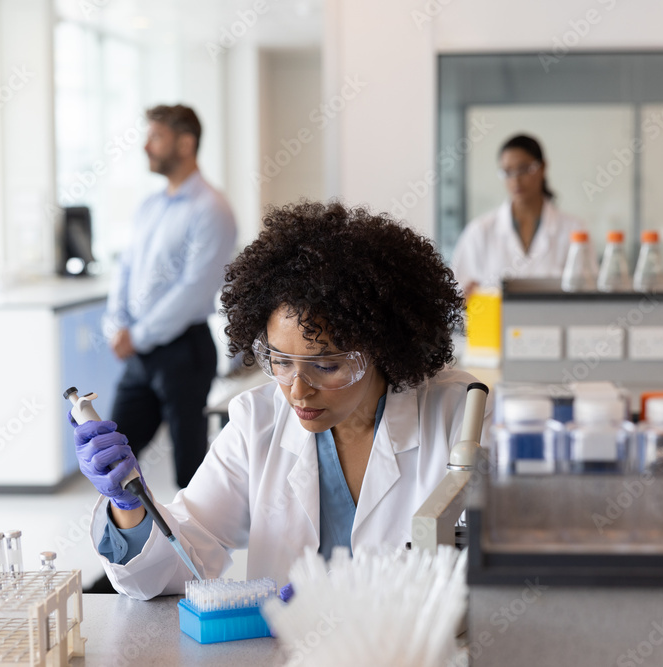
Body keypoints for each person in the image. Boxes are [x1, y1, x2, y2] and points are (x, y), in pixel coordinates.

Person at [73, 201, 493, 599]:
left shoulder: (462, 418)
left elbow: (499, 579)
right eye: (280, 360)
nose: (297, 389)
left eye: (326, 366)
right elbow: (183, 562)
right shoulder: (257, 420)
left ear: (383, 348)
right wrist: (129, 507)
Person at [103, 104, 237, 490]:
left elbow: (195, 288)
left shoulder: (211, 208)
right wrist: (117, 324)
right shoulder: (150, 206)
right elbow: (125, 269)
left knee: (190, 471)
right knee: (114, 455)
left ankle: (194, 549)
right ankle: (132, 542)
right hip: (141, 354)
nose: (145, 146)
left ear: (185, 143)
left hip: (184, 352)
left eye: (155, 137)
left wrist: (137, 335)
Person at [452, 134, 590, 297]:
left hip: (555, 322)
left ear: (543, 167)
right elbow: (457, 293)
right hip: (496, 323)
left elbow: (588, 294)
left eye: (524, 169)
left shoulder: (574, 229)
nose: (516, 180)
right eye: (508, 172)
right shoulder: (480, 231)